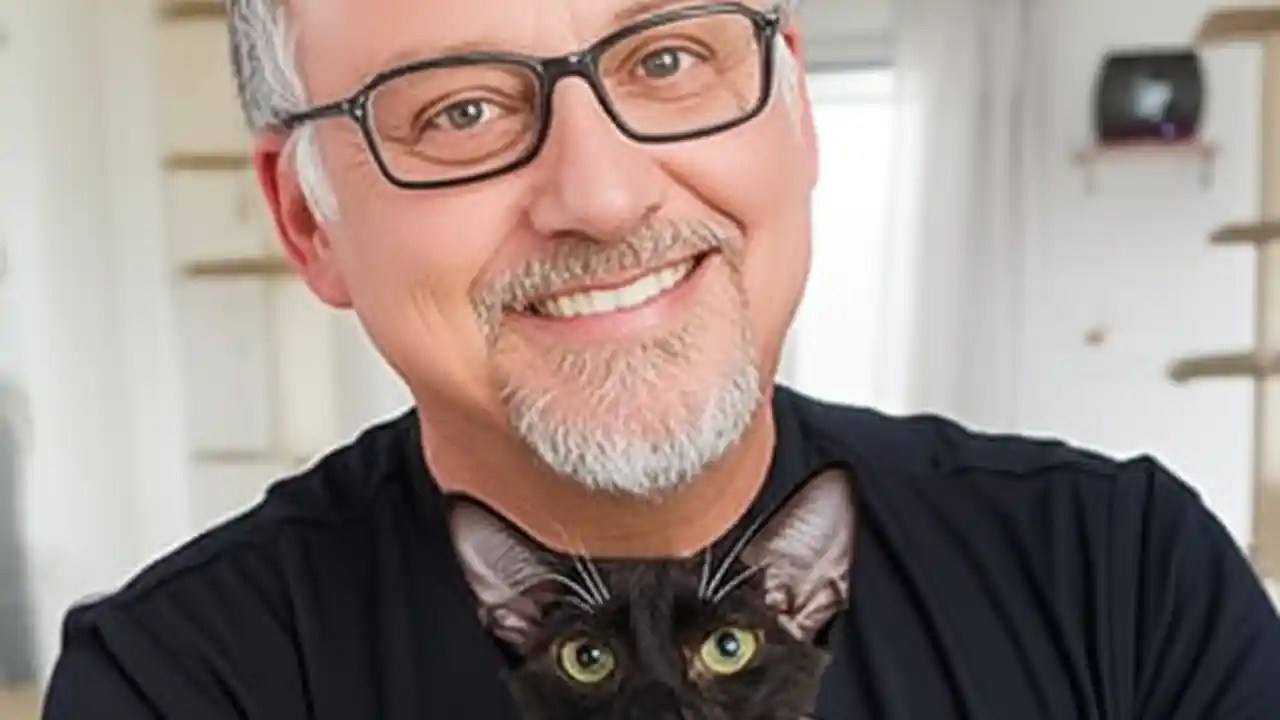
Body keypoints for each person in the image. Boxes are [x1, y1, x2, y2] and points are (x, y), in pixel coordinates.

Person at [44, 0, 1280, 716]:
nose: (601, 191)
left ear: (792, 106)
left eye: (669, 60)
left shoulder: (1120, 583)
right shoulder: (178, 685)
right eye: (458, 109)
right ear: (310, 221)